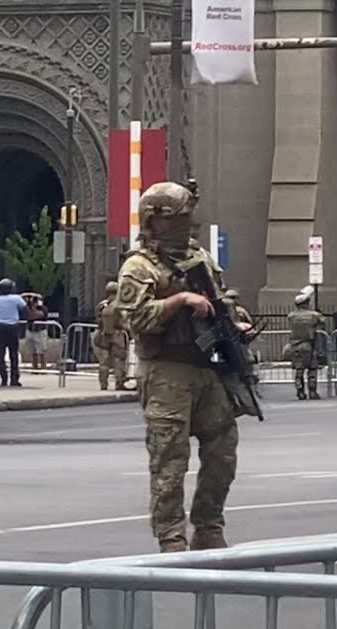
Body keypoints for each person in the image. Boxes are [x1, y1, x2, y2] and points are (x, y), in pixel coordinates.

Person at [114, 181, 243, 553]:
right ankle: (171, 536)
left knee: (223, 452)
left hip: (207, 368)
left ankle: (209, 525)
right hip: (167, 371)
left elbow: (221, 298)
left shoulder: (199, 257)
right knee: (169, 460)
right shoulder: (139, 267)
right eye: (177, 219)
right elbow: (135, 318)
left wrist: (236, 320)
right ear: (154, 222)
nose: (184, 226)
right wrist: (177, 301)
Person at [0, 278, 28, 386]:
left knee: (1, 353)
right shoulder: (17, 299)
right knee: (13, 353)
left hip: (0, 327)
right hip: (13, 327)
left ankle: (3, 378)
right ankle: (14, 379)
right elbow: (25, 309)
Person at [287, 285, 325, 400]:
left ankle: (300, 391)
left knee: (299, 370)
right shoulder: (313, 315)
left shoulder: (291, 316)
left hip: (295, 345)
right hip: (309, 345)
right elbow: (322, 321)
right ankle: (312, 391)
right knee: (312, 369)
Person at [92, 281, 131, 391]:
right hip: (118, 334)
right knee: (119, 359)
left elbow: (97, 318)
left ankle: (103, 384)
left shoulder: (102, 305)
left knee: (104, 362)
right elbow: (124, 319)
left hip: (104, 334)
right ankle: (119, 383)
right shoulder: (120, 304)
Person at [23, 292, 50, 369]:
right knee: (33, 351)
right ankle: (35, 368)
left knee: (42, 351)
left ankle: (43, 368)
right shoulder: (27, 308)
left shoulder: (43, 308)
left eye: (35, 300)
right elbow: (26, 316)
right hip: (30, 330)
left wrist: (34, 307)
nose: (33, 301)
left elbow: (36, 315)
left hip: (40, 331)